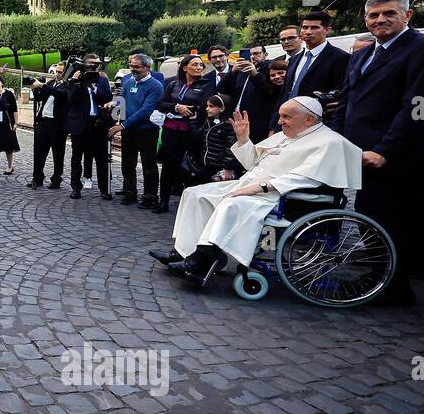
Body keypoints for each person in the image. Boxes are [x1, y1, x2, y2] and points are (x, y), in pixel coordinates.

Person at [150, 98, 361, 283]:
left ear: (309, 119)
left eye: (286, 117)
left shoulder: (330, 141)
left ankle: (201, 261)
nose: (279, 122)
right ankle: (183, 252)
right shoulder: (288, 134)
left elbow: (306, 178)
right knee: (195, 193)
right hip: (252, 186)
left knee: (231, 203)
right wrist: (243, 139)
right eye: (280, 116)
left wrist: (258, 188)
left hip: (281, 196)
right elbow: (253, 163)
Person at [338, 0, 424, 306]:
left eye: (389, 13)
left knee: (397, 220)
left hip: (398, 156)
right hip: (360, 153)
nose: (380, 20)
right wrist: (331, 140)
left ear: (408, 15)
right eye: (373, 16)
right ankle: (381, 273)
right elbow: (347, 102)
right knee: (370, 213)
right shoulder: (362, 55)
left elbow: (419, 108)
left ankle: (395, 288)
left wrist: (386, 150)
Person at [153, 54, 211, 214]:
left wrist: (190, 109)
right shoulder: (173, 83)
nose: (199, 67)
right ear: (185, 68)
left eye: (201, 65)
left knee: (193, 166)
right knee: (168, 166)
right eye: (195, 64)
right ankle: (163, 201)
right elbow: (161, 104)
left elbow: (205, 105)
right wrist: (177, 107)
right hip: (171, 130)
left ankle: (191, 204)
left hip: (192, 131)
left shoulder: (207, 84)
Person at [275, 11, 349, 129]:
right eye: (305, 27)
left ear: (327, 30)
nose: (308, 32)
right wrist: (273, 126)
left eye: (314, 27)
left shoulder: (340, 58)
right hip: (285, 123)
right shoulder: (295, 59)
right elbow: (284, 94)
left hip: (316, 125)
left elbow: (339, 96)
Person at [110, 53, 163, 207]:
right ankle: (130, 193)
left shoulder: (155, 86)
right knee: (127, 163)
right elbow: (122, 102)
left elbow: (146, 110)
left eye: (136, 67)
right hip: (129, 130)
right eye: (131, 66)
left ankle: (150, 196)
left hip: (147, 130)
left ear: (147, 68)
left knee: (149, 165)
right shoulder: (129, 83)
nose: (132, 69)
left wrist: (123, 125)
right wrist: (113, 112)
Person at [55, 55, 112, 200]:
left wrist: (94, 88)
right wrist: (76, 82)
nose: (94, 68)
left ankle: (104, 188)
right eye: (91, 65)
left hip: (97, 123)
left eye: (96, 65)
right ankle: (76, 187)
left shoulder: (102, 79)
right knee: (76, 158)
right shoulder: (75, 79)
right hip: (79, 123)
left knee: (102, 159)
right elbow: (71, 100)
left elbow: (107, 97)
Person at [218, 46, 277, 144]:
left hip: (257, 122)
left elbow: (270, 91)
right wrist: (231, 72)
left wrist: (255, 74)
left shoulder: (269, 69)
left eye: (256, 53)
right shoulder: (241, 72)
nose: (252, 57)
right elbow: (221, 89)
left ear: (265, 55)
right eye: (249, 54)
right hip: (236, 119)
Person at [27, 65, 69, 190]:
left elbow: (61, 94)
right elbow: (41, 97)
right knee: (39, 151)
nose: (57, 74)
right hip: (44, 121)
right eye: (57, 71)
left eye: (60, 72)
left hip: (57, 124)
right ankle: (37, 177)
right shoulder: (51, 83)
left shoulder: (68, 85)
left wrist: (43, 86)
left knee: (58, 153)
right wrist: (36, 89)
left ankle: (56, 179)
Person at [190, 95, 242, 183]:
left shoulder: (228, 125)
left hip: (219, 167)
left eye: (211, 106)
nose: (207, 109)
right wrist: (193, 122)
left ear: (222, 108)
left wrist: (227, 166)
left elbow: (231, 147)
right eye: (207, 106)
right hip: (207, 163)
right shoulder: (209, 121)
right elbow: (198, 137)